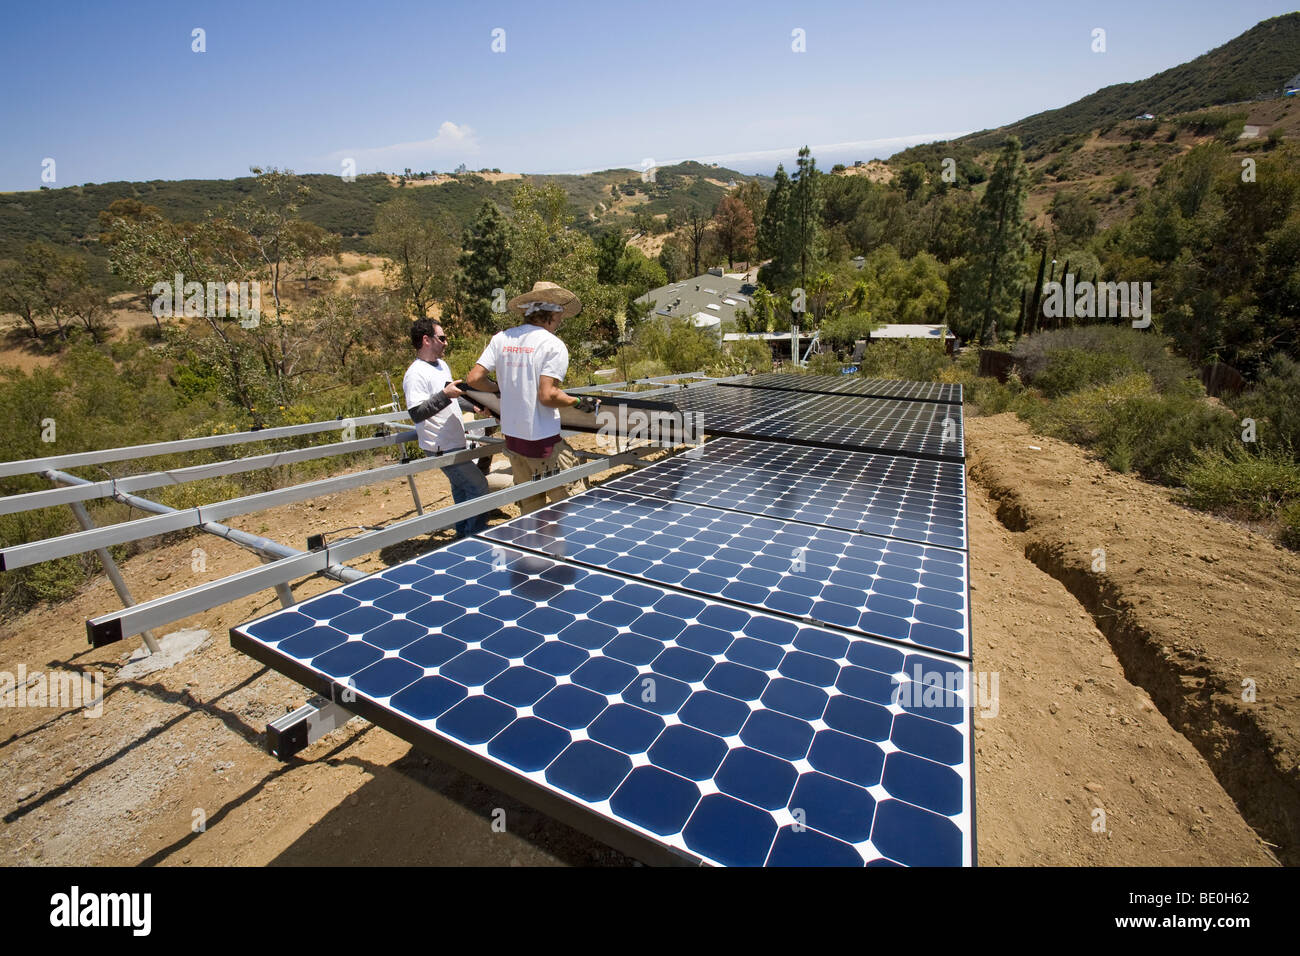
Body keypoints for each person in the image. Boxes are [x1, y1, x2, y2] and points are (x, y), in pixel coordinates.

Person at [466, 281, 598, 516]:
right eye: (560, 315)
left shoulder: (501, 338)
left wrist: (500, 389)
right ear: (552, 312)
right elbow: (548, 395)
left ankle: (535, 551)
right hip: (544, 446)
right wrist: (578, 403)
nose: (561, 320)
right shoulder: (552, 345)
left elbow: (475, 378)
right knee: (571, 510)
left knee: (531, 513)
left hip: (515, 445)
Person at [403, 318, 490, 537]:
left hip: (454, 442)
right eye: (442, 338)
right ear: (426, 340)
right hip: (440, 446)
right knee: (478, 487)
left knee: (461, 490)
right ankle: (477, 539)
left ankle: (462, 537)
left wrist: (477, 406)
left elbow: (452, 399)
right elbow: (417, 413)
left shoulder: (442, 366)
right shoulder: (415, 374)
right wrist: (444, 394)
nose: (446, 342)